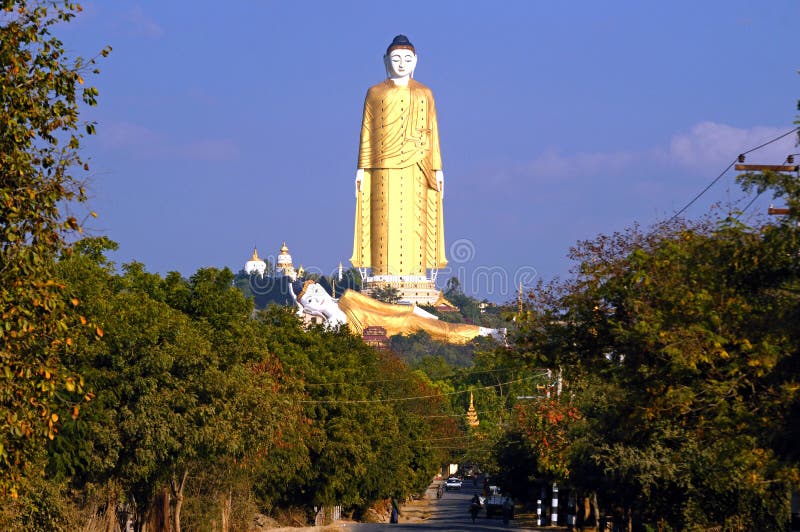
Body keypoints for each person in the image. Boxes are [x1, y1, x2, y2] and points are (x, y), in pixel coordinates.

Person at [351, 34, 447, 278]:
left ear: (416, 61)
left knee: (416, 220)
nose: (402, 63)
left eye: (407, 58)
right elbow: (366, 130)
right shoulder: (375, 93)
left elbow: (433, 130)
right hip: (382, 165)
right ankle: (383, 274)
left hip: (418, 164)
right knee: (384, 219)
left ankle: (416, 275)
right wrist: (361, 168)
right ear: (386, 61)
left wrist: (438, 169)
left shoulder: (425, 93)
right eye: (396, 59)